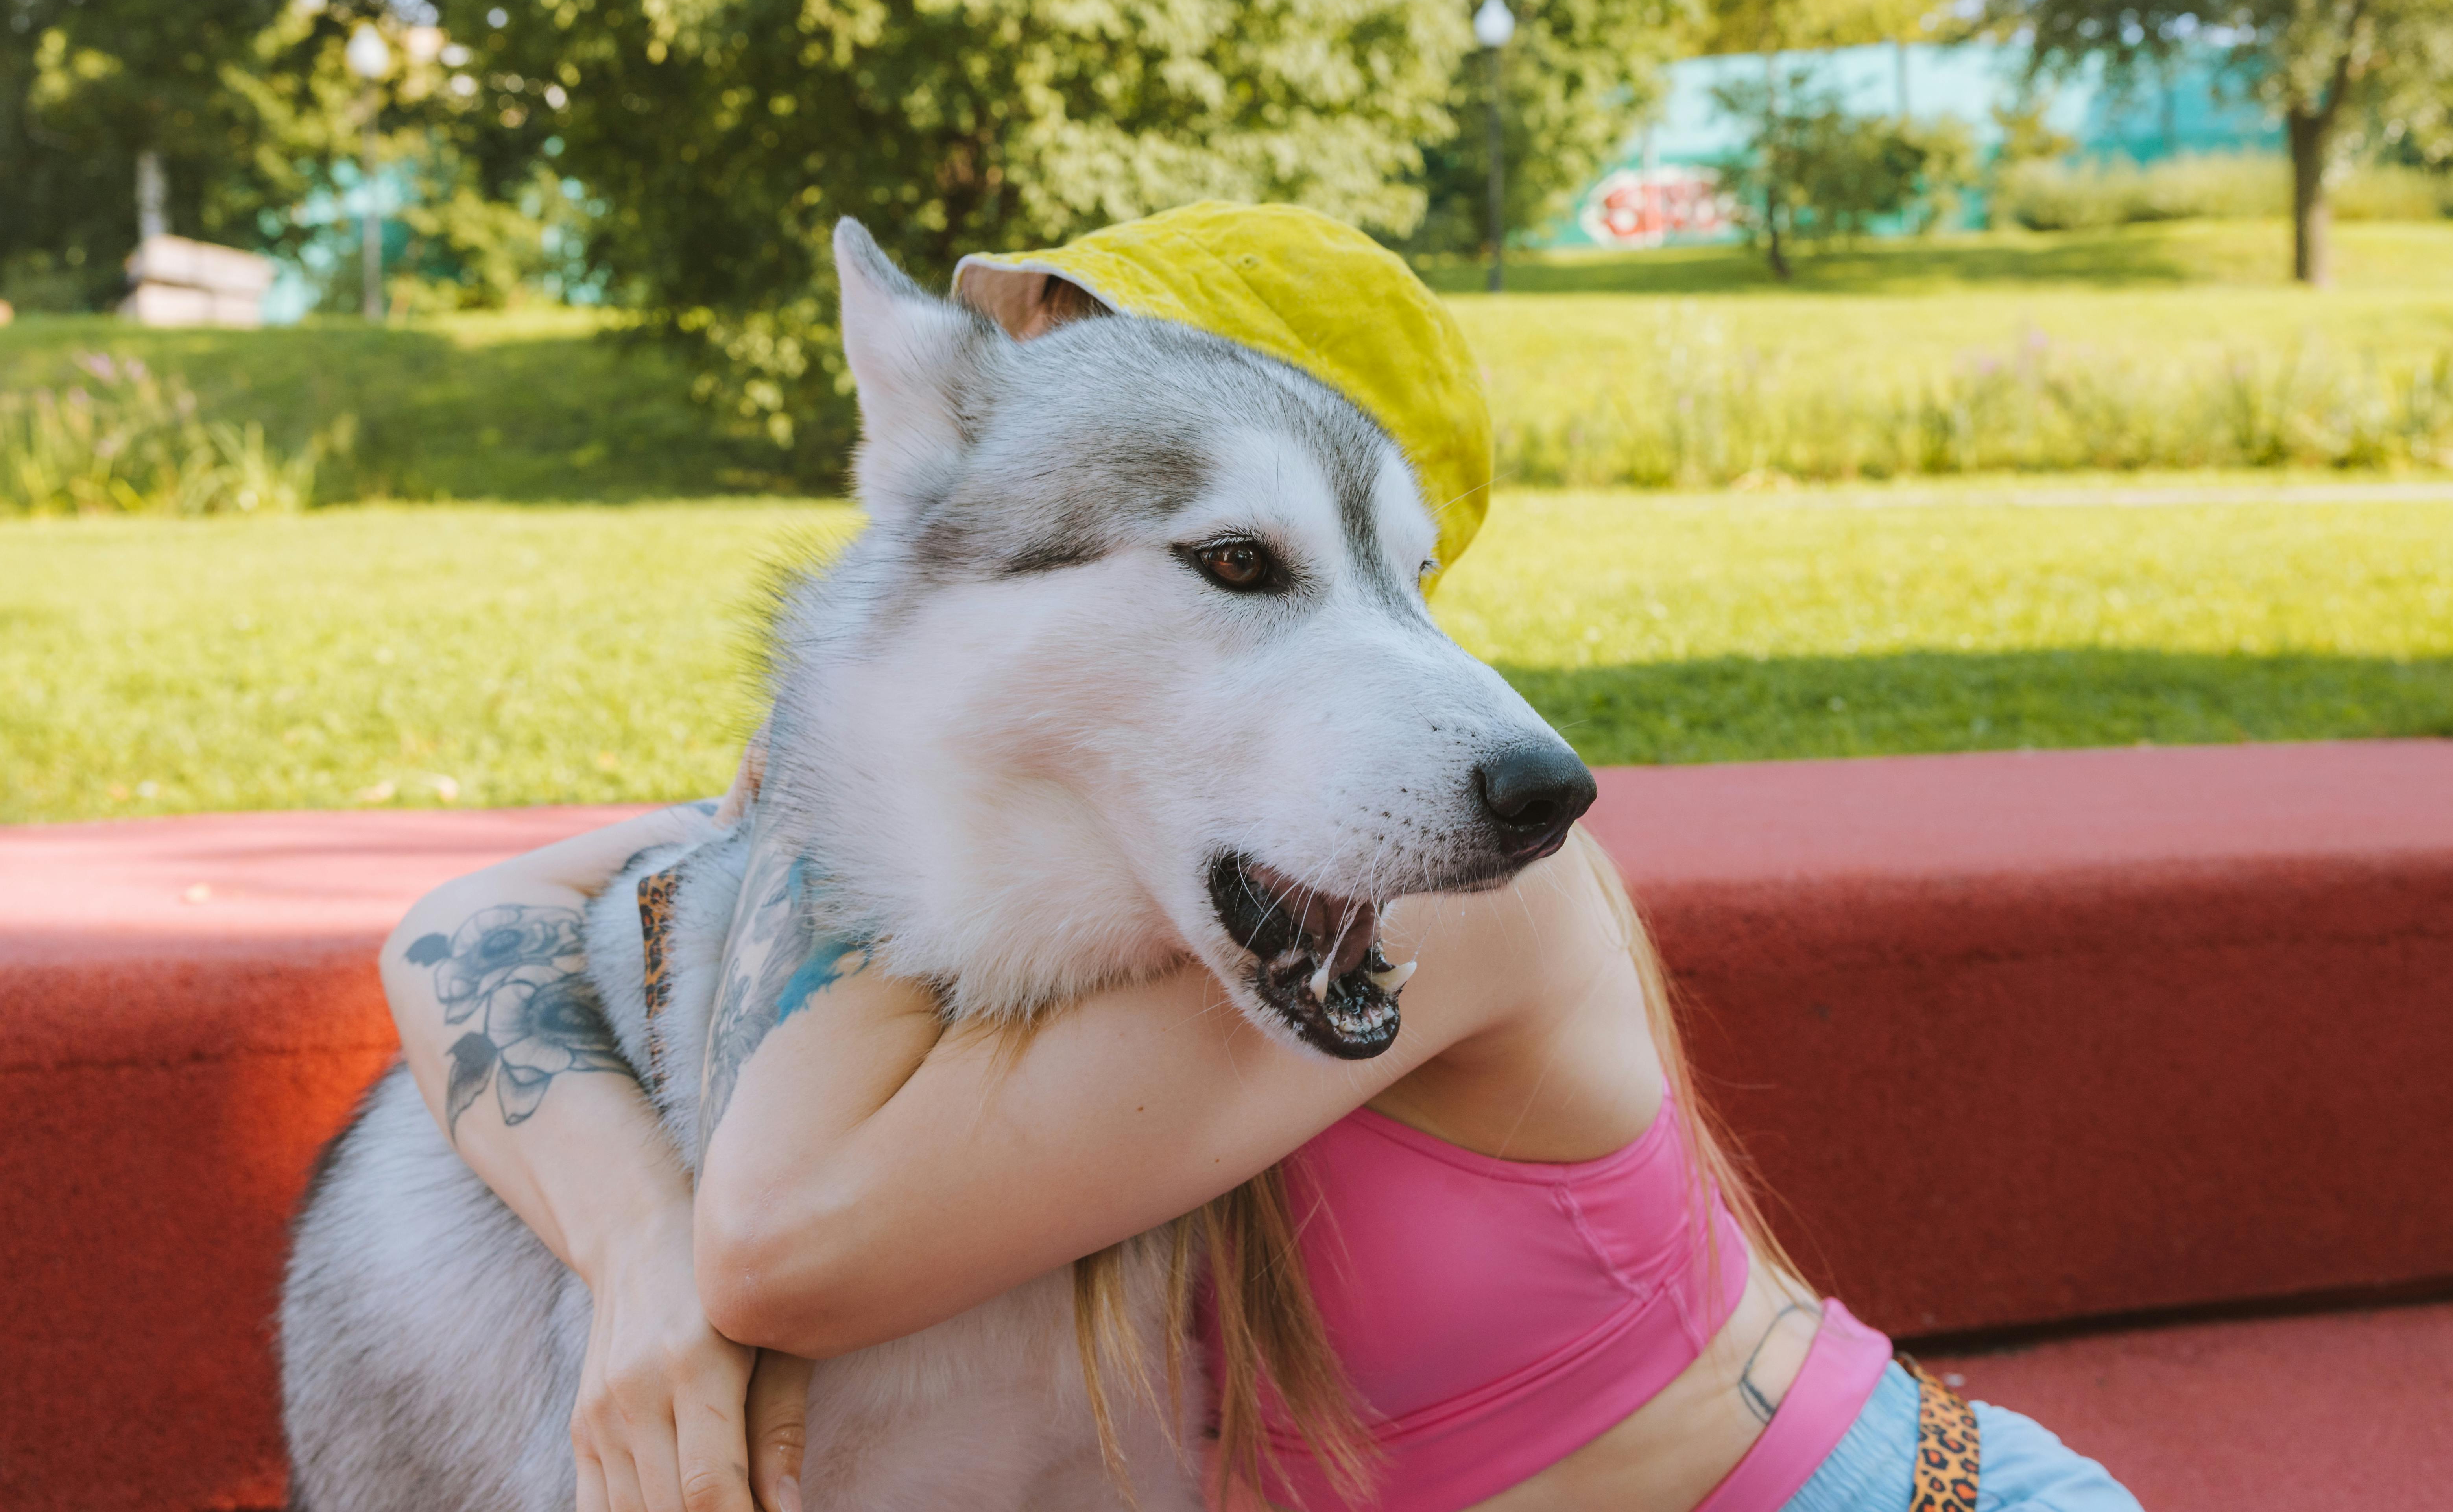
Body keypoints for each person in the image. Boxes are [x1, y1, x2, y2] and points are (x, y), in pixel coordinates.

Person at [379, 205, 2143, 1512]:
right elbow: (469, 925)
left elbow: (789, 1239)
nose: (1020, 412)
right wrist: (623, 1237)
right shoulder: (1142, 822)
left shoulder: (1439, 882)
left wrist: (830, 738)